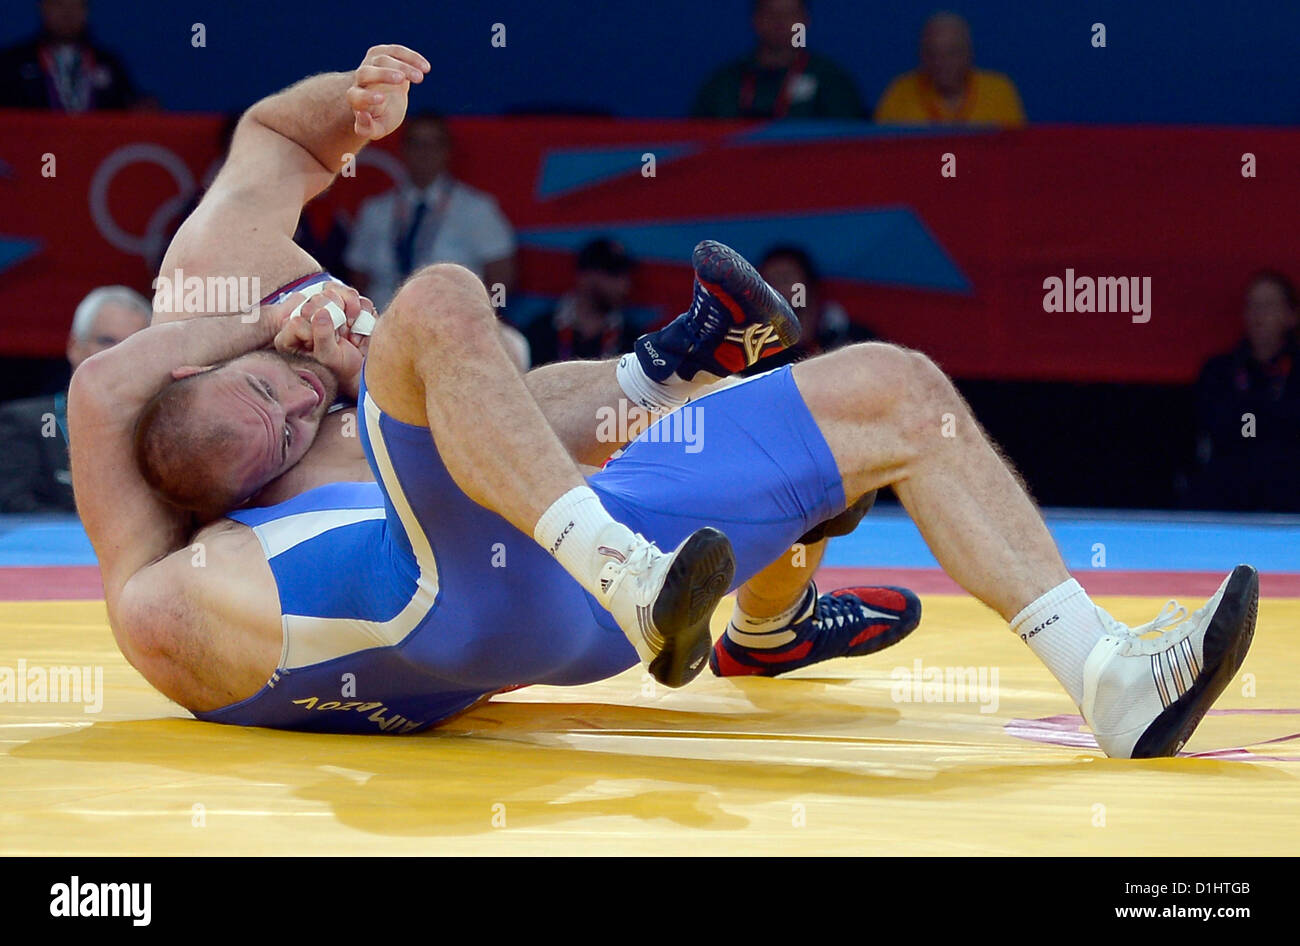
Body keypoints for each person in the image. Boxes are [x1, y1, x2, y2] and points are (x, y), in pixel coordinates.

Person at [73, 46, 1256, 760]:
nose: (298, 404)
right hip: (426, 611)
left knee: (893, 389)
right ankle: (689, 586)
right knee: (439, 308)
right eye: (284, 432)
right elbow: (97, 396)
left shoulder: (228, 273)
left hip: (558, 592)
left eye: (276, 395)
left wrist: (358, 103)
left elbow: (271, 136)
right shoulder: (197, 514)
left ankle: (1104, 674)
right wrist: (270, 338)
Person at [343, 111, 516, 311]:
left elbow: (501, 274)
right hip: (384, 320)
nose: (424, 152)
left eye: (434, 143)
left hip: (451, 324)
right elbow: (358, 274)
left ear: (447, 150)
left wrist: (484, 319)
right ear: (403, 149)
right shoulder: (375, 210)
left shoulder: (477, 209)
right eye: (416, 143)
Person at [0, 285, 149, 513]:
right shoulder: (24, 424)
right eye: (107, 341)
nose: (118, 354)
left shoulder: (165, 427)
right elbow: (16, 514)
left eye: (133, 344)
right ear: (74, 347)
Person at [1187, 270, 1300, 512]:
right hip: (1230, 491)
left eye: (1269, 305)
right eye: (1253, 306)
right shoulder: (1220, 370)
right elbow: (1219, 425)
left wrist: (1254, 415)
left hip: (1289, 493)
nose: (1259, 315)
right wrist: (1263, 417)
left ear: (1292, 315)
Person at [692, 0, 863, 119]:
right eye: (770, 13)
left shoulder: (832, 82)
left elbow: (849, 148)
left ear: (805, 21)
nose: (780, 22)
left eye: (790, 14)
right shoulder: (724, 84)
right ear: (755, 19)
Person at [742, 244, 875, 374]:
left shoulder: (853, 338)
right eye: (768, 282)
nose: (776, 290)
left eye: (784, 279)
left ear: (810, 284)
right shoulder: (755, 354)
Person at [874, 12, 1025, 127]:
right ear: (922, 56)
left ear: (968, 54)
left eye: (952, 53)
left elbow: (1016, 156)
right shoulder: (899, 94)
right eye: (933, 53)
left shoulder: (999, 92)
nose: (942, 63)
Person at [0, 0, 142, 111]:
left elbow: (128, 112)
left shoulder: (109, 63)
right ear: (42, 7)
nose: (67, 14)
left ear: (87, 11)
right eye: (59, 4)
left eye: (76, 5)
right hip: (34, 147)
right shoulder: (13, 63)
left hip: (93, 147)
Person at [525, 238, 642, 368]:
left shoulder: (633, 340)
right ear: (584, 276)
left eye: (626, 276)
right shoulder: (539, 331)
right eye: (613, 275)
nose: (624, 286)